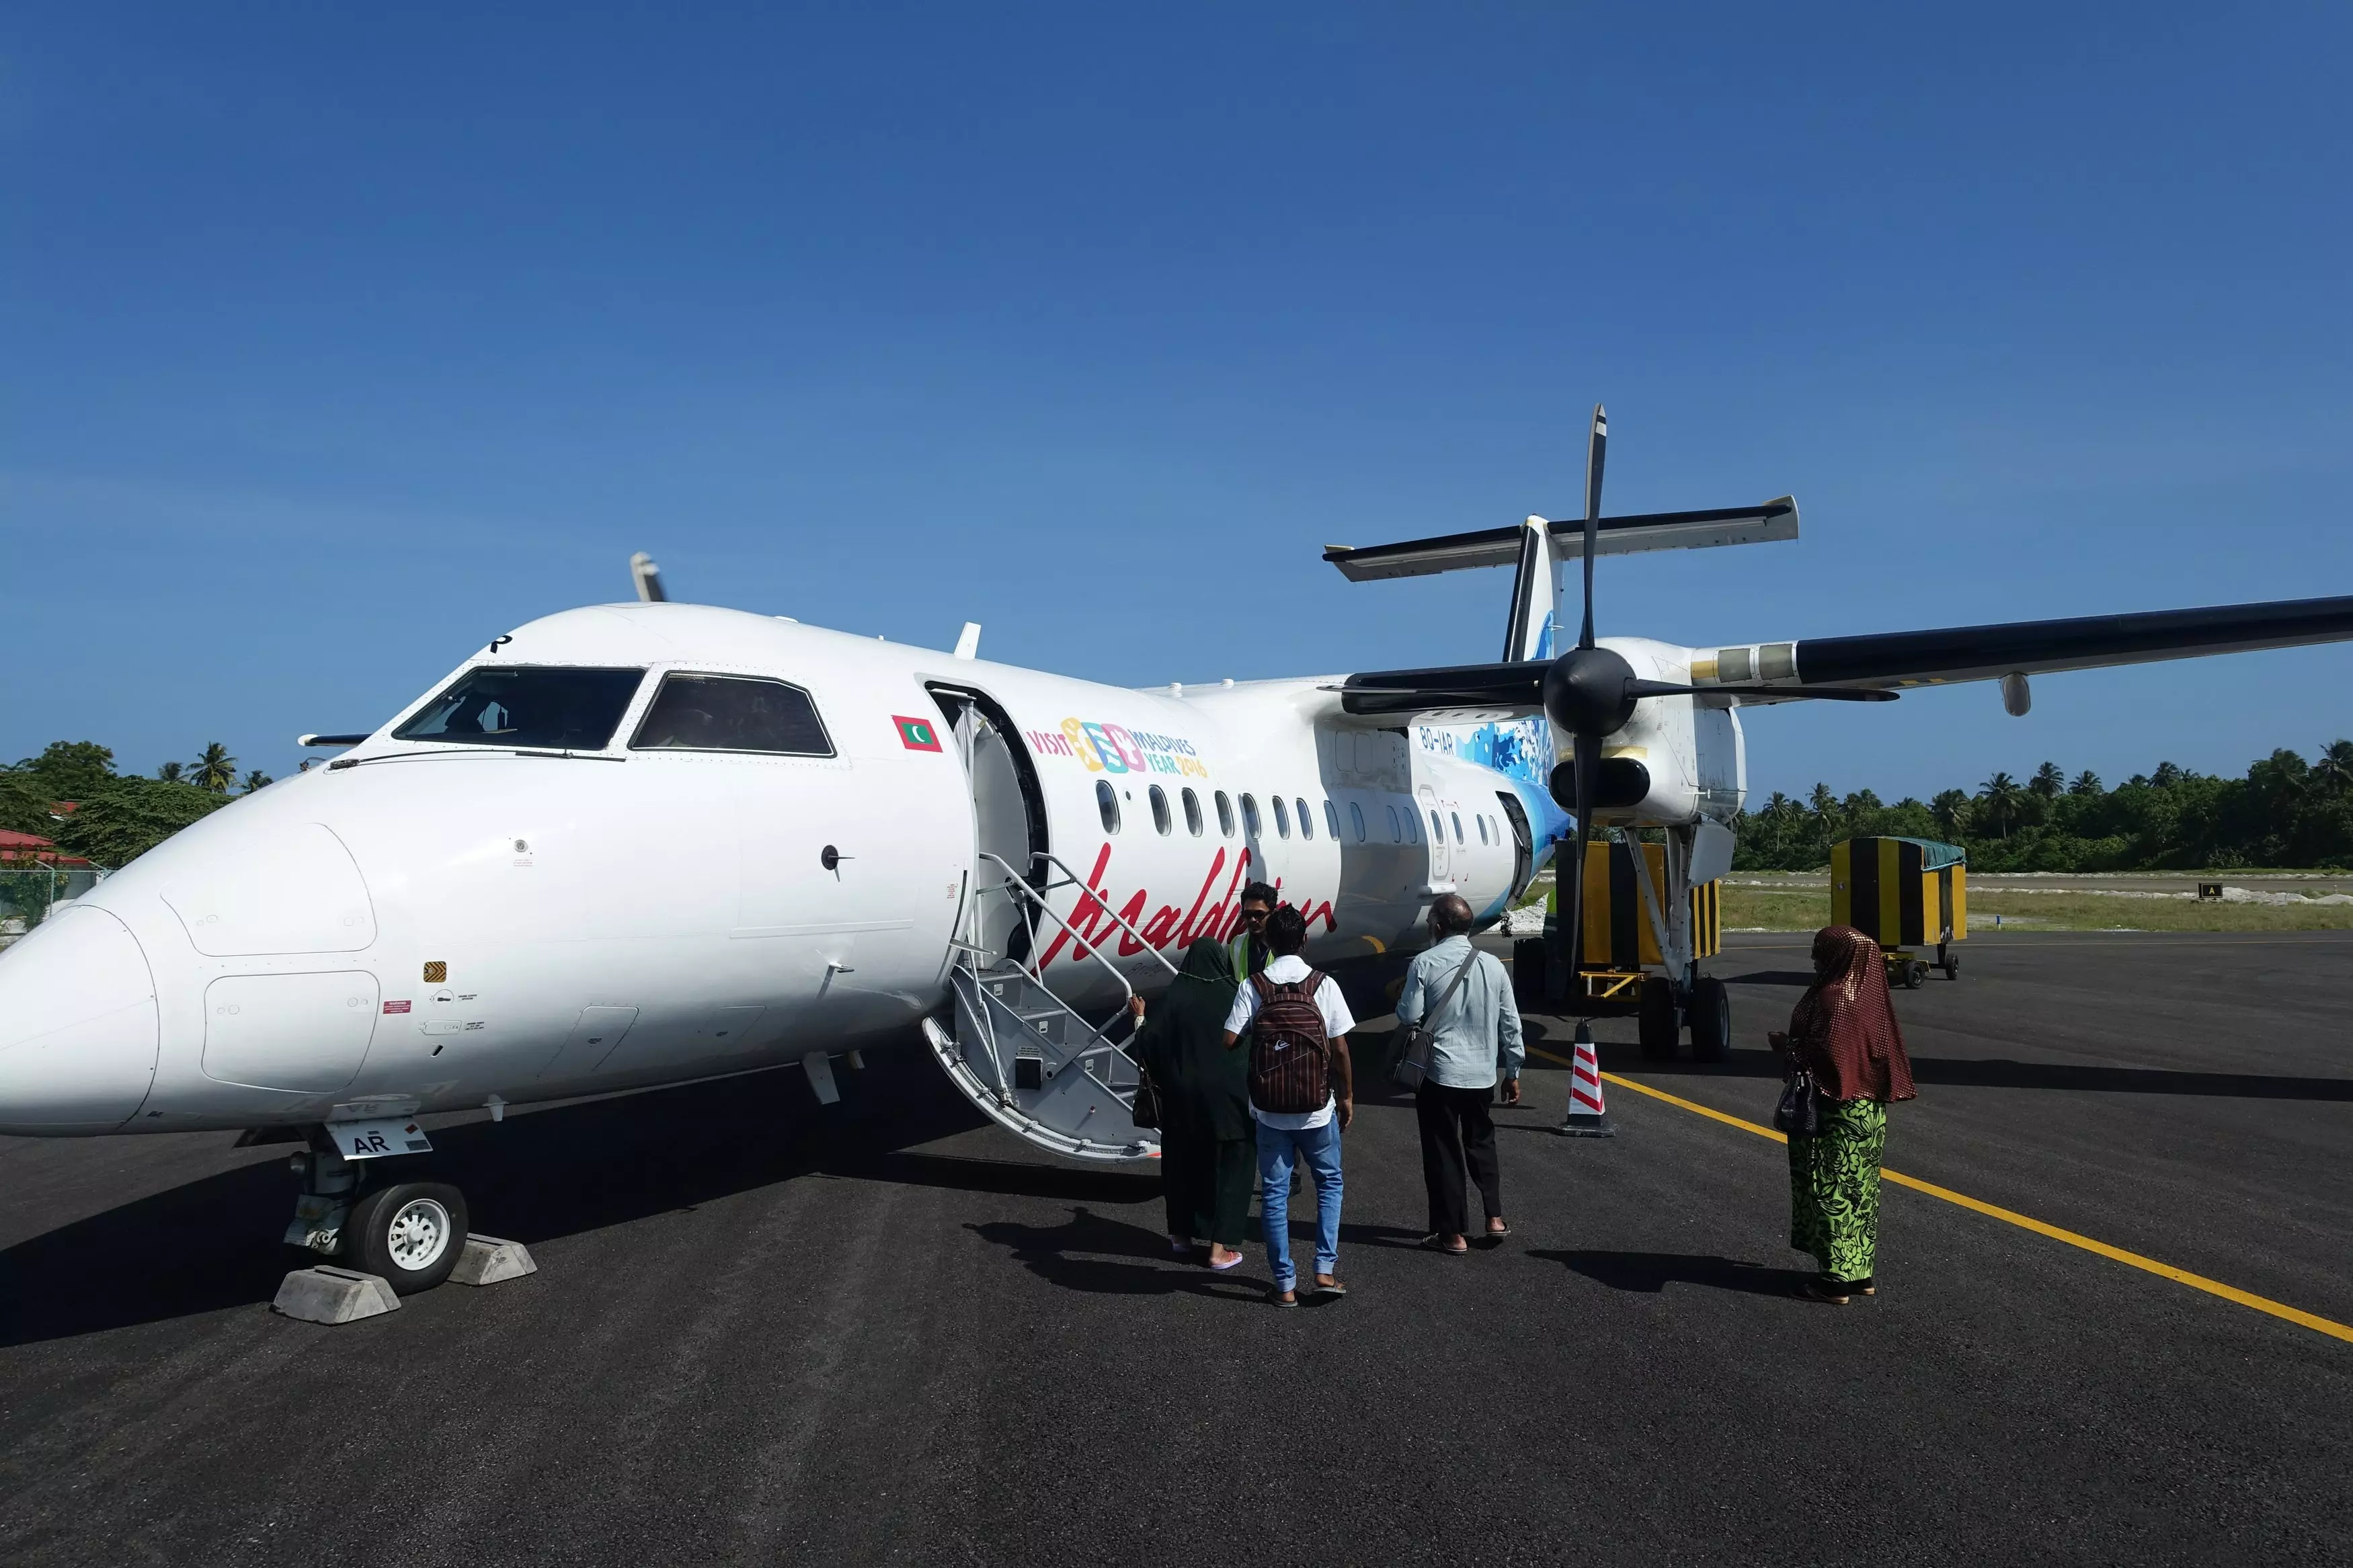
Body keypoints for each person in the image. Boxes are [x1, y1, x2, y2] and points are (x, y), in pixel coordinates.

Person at [1769, 924, 1917, 1305]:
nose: (1814, 958)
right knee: (1861, 1190)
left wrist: (1788, 1049)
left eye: (1820, 950)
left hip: (1834, 1107)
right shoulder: (1872, 997)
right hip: (1868, 1110)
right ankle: (1859, 1273)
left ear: (1838, 956)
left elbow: (1829, 1059)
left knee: (1829, 1188)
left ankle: (1833, 1281)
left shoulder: (1834, 997)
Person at [1220, 905, 1354, 1307]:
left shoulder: (1255, 986)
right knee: (1329, 1183)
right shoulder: (1323, 985)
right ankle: (1324, 1269)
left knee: (1275, 1195)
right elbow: (1341, 1049)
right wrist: (1345, 1096)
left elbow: (1229, 1041)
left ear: (1269, 942)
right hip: (1317, 1109)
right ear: (1304, 941)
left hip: (1269, 1110)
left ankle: (1284, 1285)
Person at [1394, 893, 1522, 1254]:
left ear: (1437, 926)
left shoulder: (1424, 963)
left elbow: (1408, 1015)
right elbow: (1510, 1022)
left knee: (1443, 1152)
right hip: (1482, 1075)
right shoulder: (1494, 965)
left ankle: (1452, 1233)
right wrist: (1512, 1070)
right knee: (1482, 1143)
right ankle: (1494, 1217)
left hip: (1440, 1074)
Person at [1126, 938, 1252, 1271]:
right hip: (1228, 1103)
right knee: (1227, 1170)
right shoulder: (1234, 994)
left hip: (1181, 1102)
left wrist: (1139, 1019)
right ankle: (1218, 1248)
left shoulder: (1174, 997)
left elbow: (1149, 1045)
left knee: (1181, 1167)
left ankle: (1181, 1236)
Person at [1227, 881, 1279, 980]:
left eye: (1259, 915)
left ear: (1274, 913)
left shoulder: (1285, 945)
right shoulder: (1237, 944)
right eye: (1248, 915)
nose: (1253, 920)